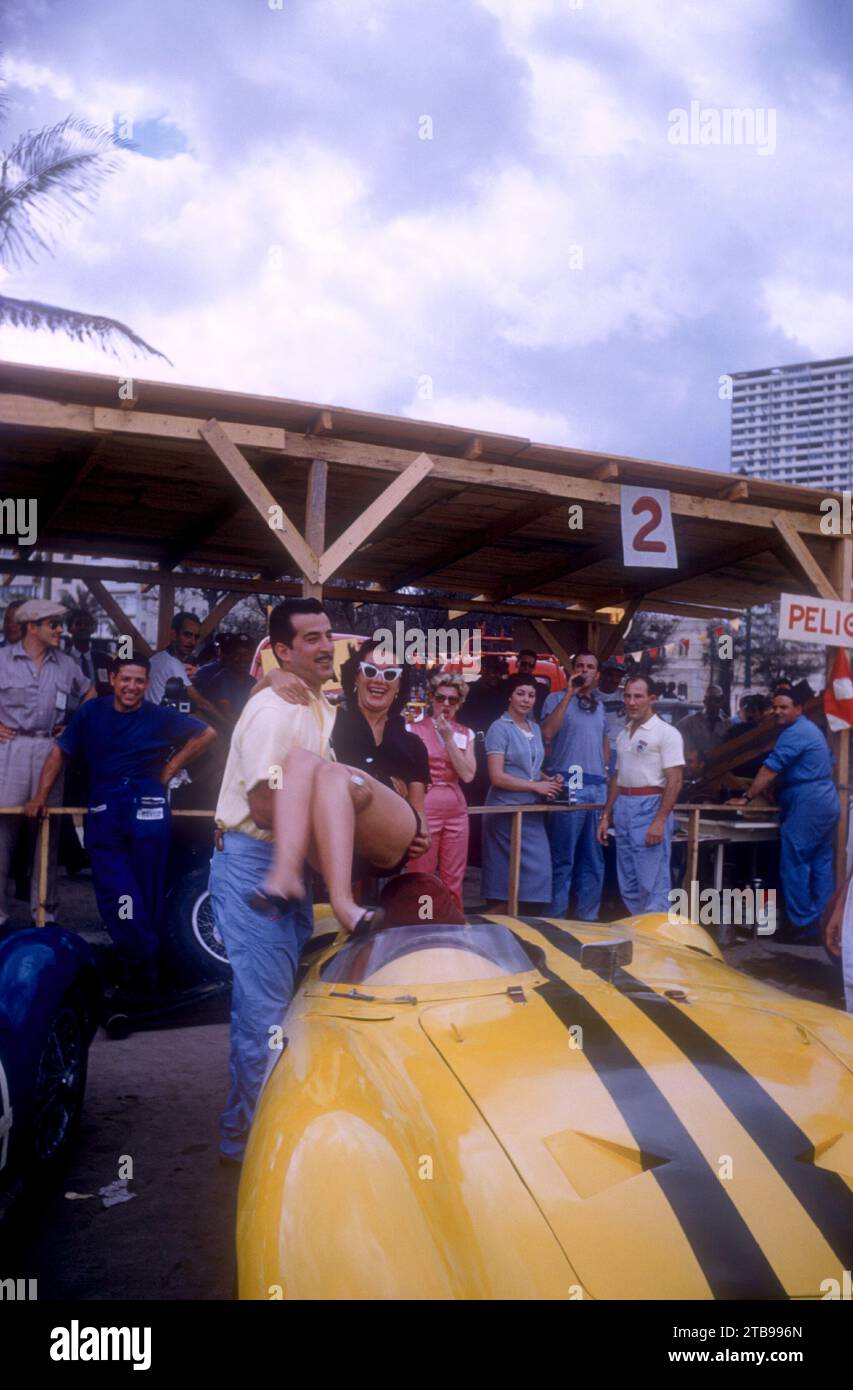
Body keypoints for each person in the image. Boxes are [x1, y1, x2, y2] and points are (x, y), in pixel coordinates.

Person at [208, 599, 339, 1164]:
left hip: (284, 865)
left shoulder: (309, 703)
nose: (326, 645)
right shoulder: (276, 707)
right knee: (264, 1014)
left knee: (279, 1008)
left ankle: (254, 1131)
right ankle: (250, 1148)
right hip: (254, 860)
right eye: (311, 638)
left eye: (328, 635)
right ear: (282, 651)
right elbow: (265, 805)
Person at [24, 654, 216, 986]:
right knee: (120, 890)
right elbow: (60, 751)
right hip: (107, 809)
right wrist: (40, 796)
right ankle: (140, 955)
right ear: (112, 679)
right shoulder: (91, 713)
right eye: (125, 679)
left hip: (148, 808)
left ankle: (141, 963)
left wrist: (169, 770)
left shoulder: (158, 715)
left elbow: (206, 734)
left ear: (146, 683)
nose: (132, 687)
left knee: (146, 887)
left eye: (139, 681)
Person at [0, 600, 95, 928]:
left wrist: (73, 726)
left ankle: (45, 914)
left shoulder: (67, 664)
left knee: (48, 831)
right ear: (31, 627)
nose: (59, 630)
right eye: (52, 624)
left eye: (59, 624)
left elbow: (90, 694)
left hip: (51, 750)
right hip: (10, 749)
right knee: (2, 833)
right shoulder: (2, 660)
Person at [727, 686, 839, 942]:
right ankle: (823, 922)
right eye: (774, 707)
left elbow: (769, 770)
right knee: (820, 863)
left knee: (795, 862)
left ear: (798, 709)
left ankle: (802, 925)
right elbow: (826, 763)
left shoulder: (794, 732)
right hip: (824, 797)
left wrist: (746, 797)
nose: (777, 712)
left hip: (807, 801)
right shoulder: (812, 730)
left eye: (783, 707)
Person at [597, 675, 685, 914]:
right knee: (629, 880)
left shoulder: (666, 733)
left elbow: (675, 780)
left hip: (650, 806)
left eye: (638, 696)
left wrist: (659, 821)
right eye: (627, 696)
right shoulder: (624, 733)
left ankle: (659, 941)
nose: (632, 702)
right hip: (624, 806)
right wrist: (606, 815)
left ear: (651, 699)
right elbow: (618, 776)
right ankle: (640, 936)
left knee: (653, 880)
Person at [482, 674, 562, 911]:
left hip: (532, 812)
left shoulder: (535, 728)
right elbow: (496, 776)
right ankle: (494, 926)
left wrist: (550, 780)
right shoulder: (499, 728)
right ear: (510, 695)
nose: (526, 700)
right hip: (504, 811)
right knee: (504, 879)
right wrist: (536, 786)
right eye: (521, 693)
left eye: (531, 695)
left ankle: (522, 928)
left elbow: (532, 770)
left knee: (539, 873)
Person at [540, 649, 609, 920]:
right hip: (568, 783)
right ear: (572, 670)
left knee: (593, 860)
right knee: (562, 858)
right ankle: (555, 920)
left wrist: (604, 770)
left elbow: (604, 740)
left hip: (596, 787)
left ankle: (587, 921)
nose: (584, 670)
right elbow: (547, 732)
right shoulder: (556, 699)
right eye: (579, 665)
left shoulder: (600, 705)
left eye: (590, 666)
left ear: (597, 673)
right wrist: (569, 693)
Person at [406, 672, 476, 912]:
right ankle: (421, 922)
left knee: (454, 875)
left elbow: (467, 774)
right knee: (421, 872)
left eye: (452, 700)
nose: (445, 704)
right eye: (440, 698)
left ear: (460, 703)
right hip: (424, 806)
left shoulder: (465, 734)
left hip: (456, 810)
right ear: (431, 699)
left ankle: (451, 922)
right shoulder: (412, 730)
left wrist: (448, 738)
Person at [146, 611, 220, 724]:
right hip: (158, 725)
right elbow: (201, 703)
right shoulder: (172, 663)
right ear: (173, 635)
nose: (192, 642)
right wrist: (229, 725)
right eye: (187, 635)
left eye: (196, 637)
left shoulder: (159, 658)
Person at [63, 607, 114, 695]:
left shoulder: (105, 661)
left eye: (87, 624)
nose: (83, 627)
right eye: (78, 624)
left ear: (93, 629)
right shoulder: (61, 659)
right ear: (69, 629)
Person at [678, 684, 731, 758]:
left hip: (720, 766)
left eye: (716, 700)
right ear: (704, 701)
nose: (712, 703)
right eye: (709, 700)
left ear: (722, 701)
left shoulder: (728, 725)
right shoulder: (688, 723)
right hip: (696, 767)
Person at [513, 648, 549, 717]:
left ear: (534, 667)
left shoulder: (542, 690)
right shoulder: (506, 685)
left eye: (531, 665)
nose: (527, 667)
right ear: (517, 664)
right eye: (523, 664)